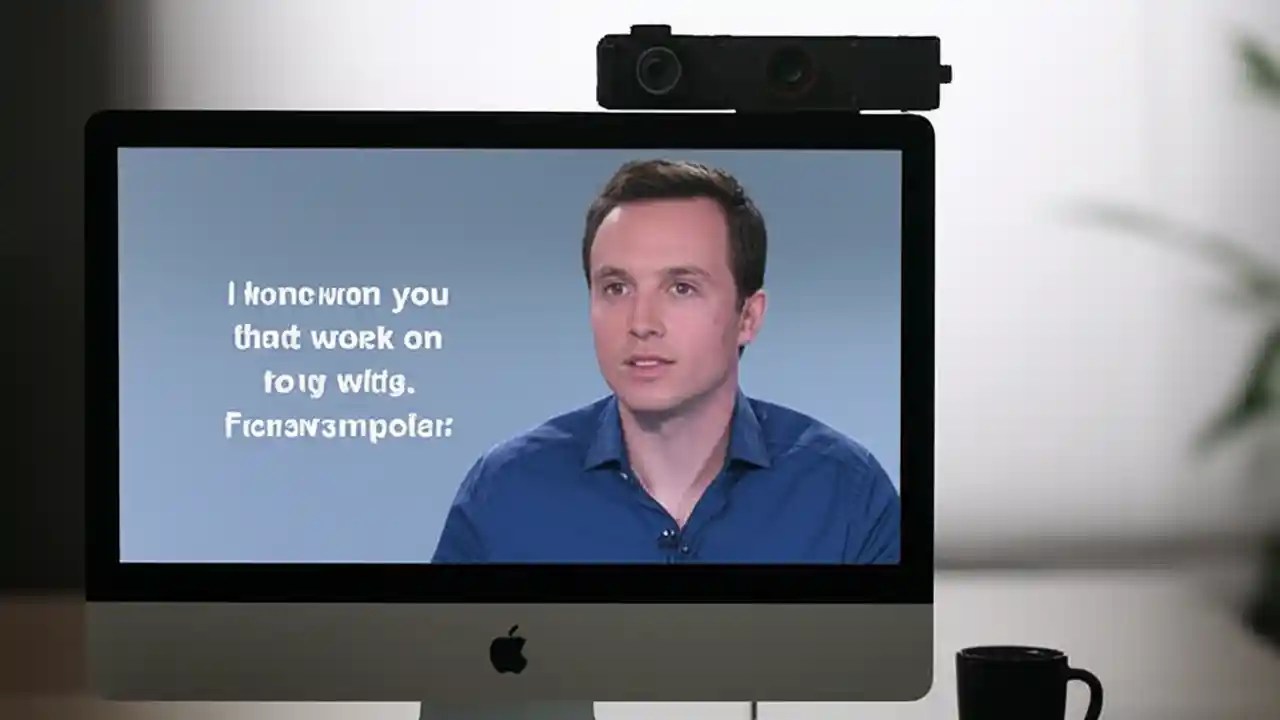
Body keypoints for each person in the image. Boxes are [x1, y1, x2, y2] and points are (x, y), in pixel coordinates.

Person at [432, 158, 900, 564]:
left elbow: (885, 667)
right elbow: (438, 663)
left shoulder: (846, 493)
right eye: (616, 288)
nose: (641, 322)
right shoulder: (506, 490)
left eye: (681, 288)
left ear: (748, 317)